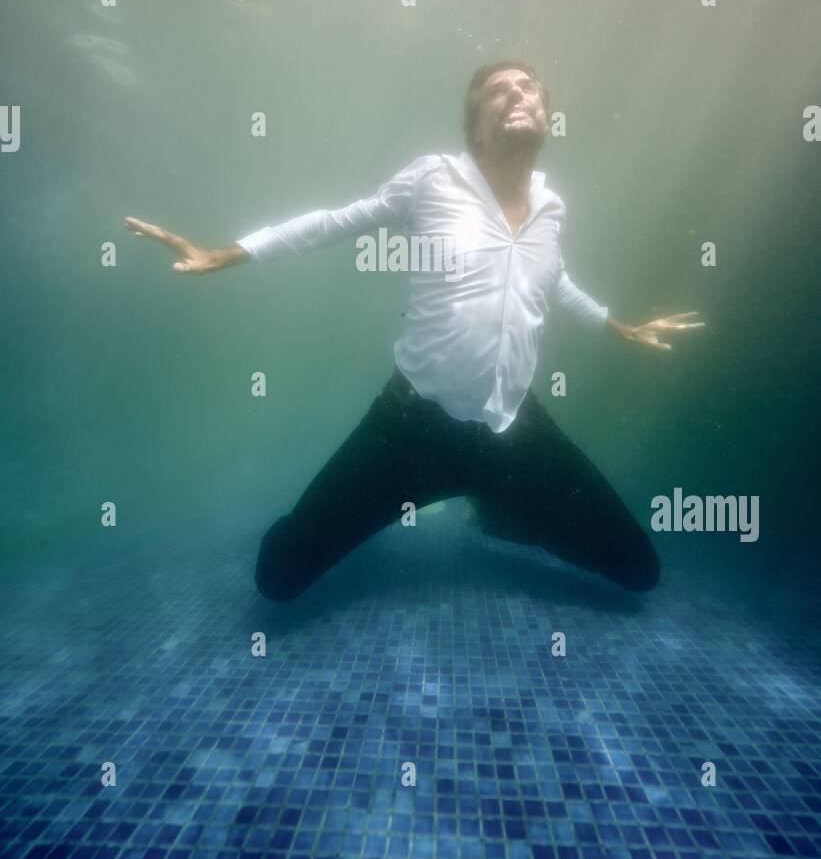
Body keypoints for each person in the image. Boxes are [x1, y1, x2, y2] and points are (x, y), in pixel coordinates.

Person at [125, 60, 704, 601]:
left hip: (512, 426)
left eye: (529, 88)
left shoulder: (552, 206)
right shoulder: (434, 179)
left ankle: (500, 509)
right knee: (279, 578)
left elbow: (553, 282)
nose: (518, 94)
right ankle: (461, 501)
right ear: (476, 127)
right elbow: (334, 223)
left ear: (547, 115)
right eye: (499, 90)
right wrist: (230, 254)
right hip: (412, 425)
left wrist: (615, 325)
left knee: (639, 570)